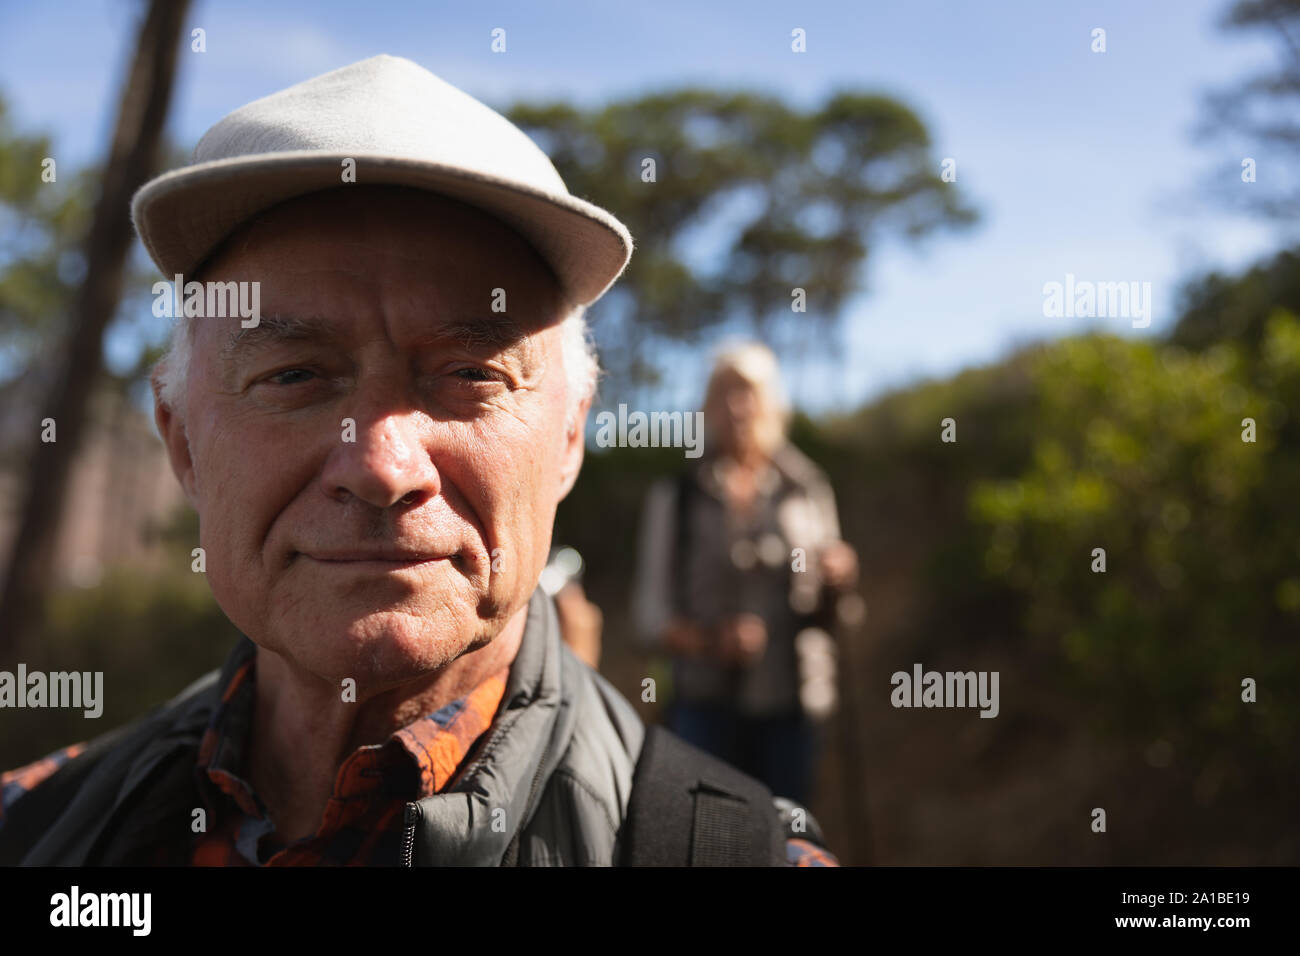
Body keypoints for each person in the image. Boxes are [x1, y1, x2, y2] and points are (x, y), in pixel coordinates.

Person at [0, 56, 836, 866]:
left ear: (570, 439)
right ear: (182, 441)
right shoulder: (34, 827)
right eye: (293, 375)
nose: (383, 466)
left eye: (471, 375)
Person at [632, 342, 858, 806]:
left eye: (750, 392)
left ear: (772, 402)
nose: (738, 406)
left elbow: (843, 617)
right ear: (708, 405)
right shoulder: (678, 497)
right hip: (704, 709)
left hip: (793, 706)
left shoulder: (807, 489)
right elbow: (648, 616)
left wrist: (840, 580)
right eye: (725, 393)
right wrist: (711, 641)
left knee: (783, 836)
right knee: (709, 837)